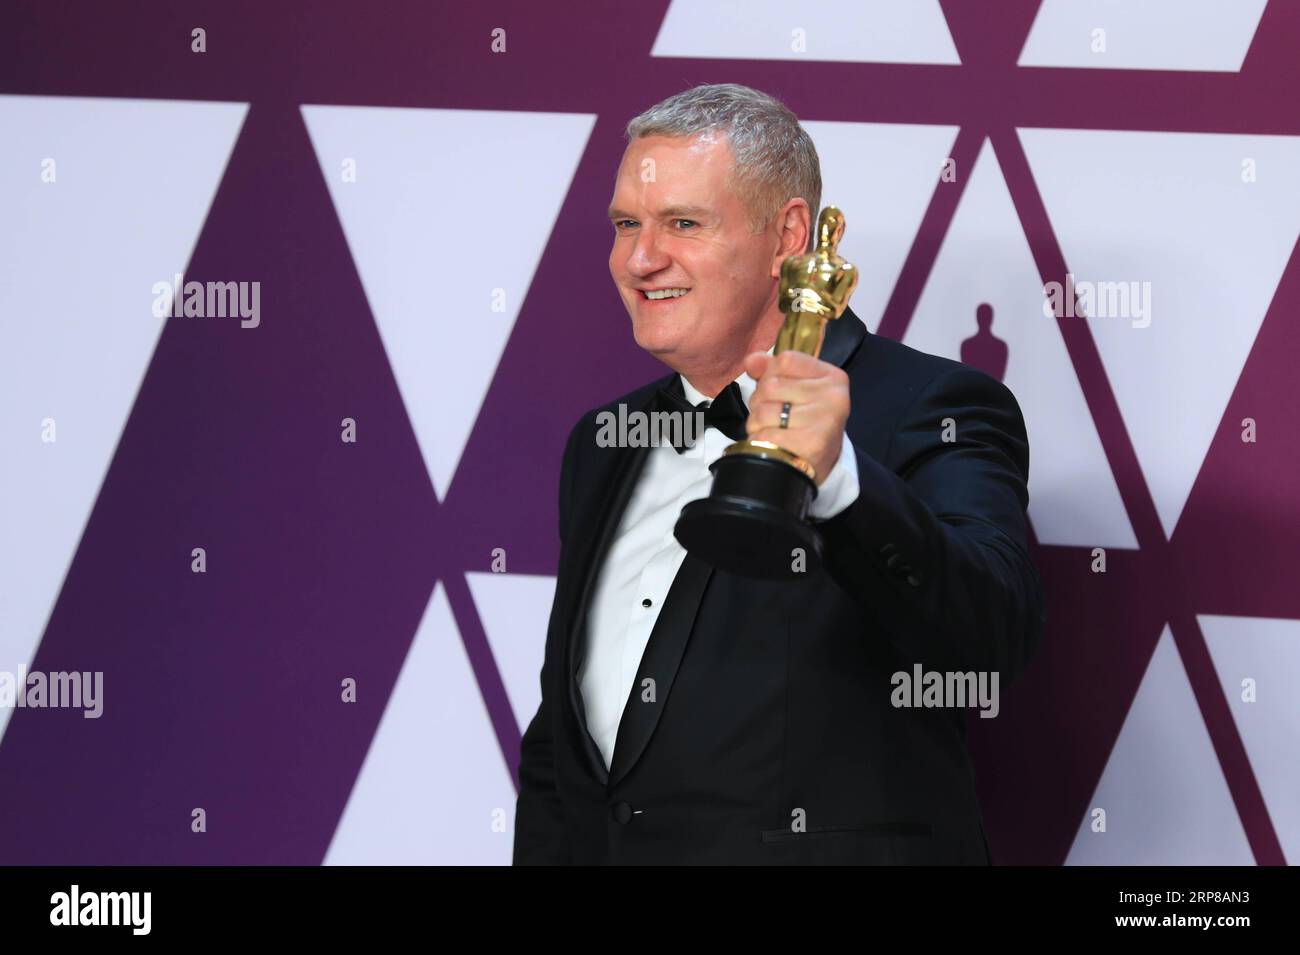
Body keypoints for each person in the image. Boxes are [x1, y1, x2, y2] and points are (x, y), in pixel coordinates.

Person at [513, 83, 1046, 864]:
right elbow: (564, 743)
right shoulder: (603, 441)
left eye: (683, 224)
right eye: (626, 224)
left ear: (787, 236)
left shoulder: (930, 404)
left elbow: (991, 638)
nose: (639, 259)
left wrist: (838, 475)